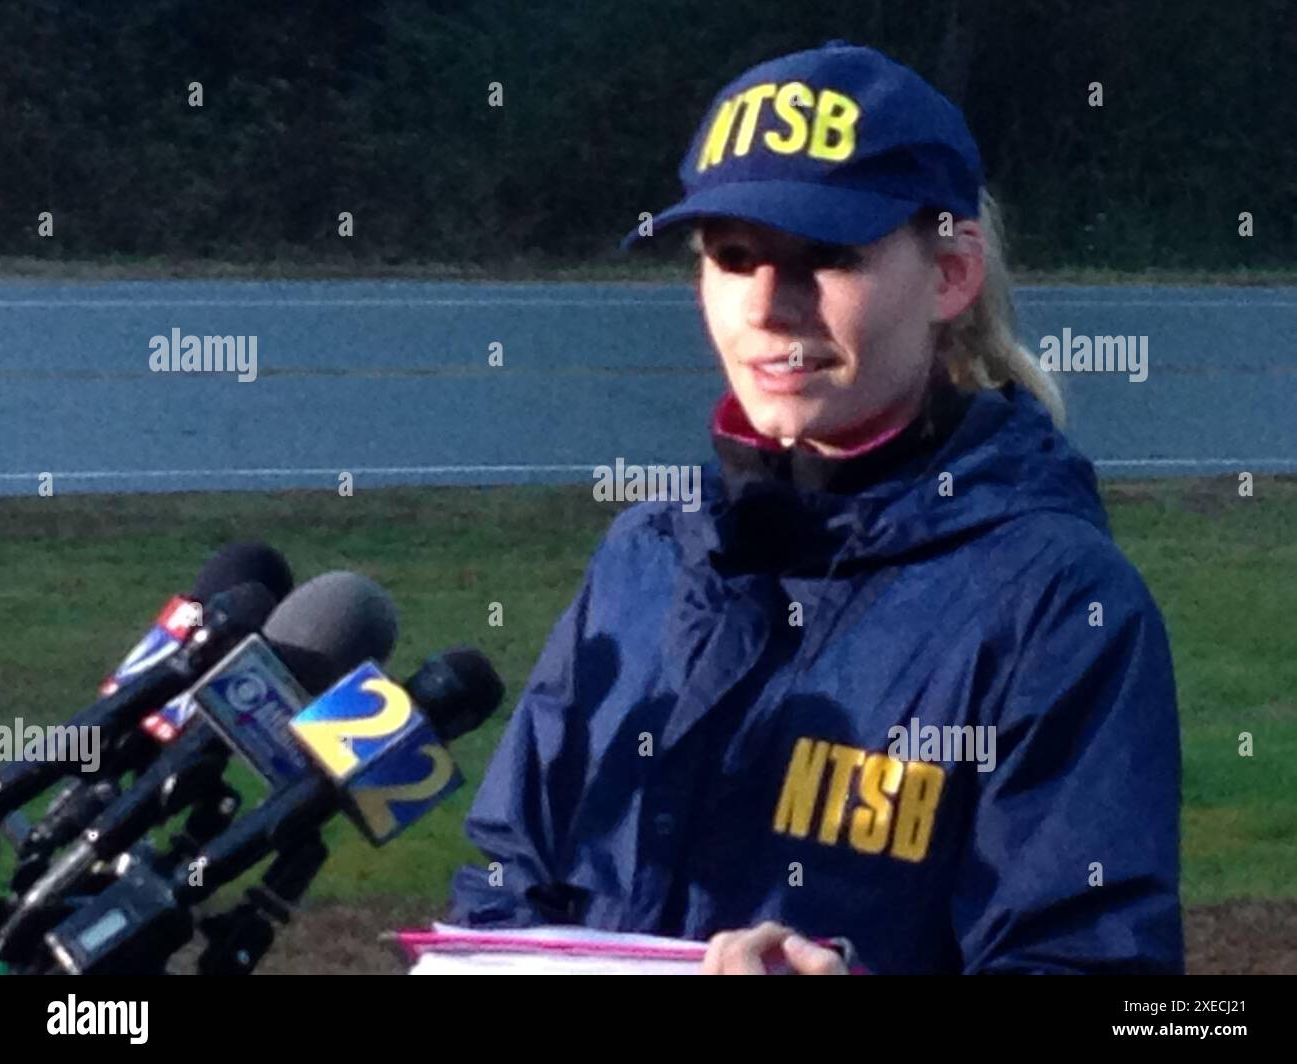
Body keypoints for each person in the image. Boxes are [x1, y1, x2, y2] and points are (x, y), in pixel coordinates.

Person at [449, 40, 1183, 975]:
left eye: (826, 257)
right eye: (733, 256)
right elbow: (508, 887)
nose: (768, 306)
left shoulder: (1057, 605)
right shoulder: (645, 556)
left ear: (950, 275)